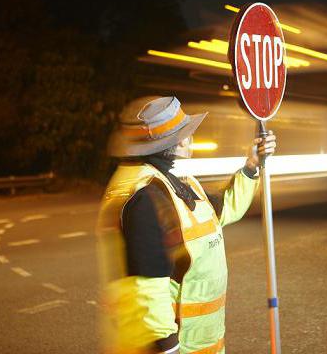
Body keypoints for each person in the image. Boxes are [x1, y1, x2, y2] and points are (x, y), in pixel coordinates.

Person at [96, 96, 276, 354]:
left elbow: (220, 213)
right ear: (173, 143)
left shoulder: (173, 181)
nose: (189, 139)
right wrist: (168, 349)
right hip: (172, 347)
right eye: (184, 134)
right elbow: (147, 290)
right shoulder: (145, 195)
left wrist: (251, 167)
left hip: (199, 345)